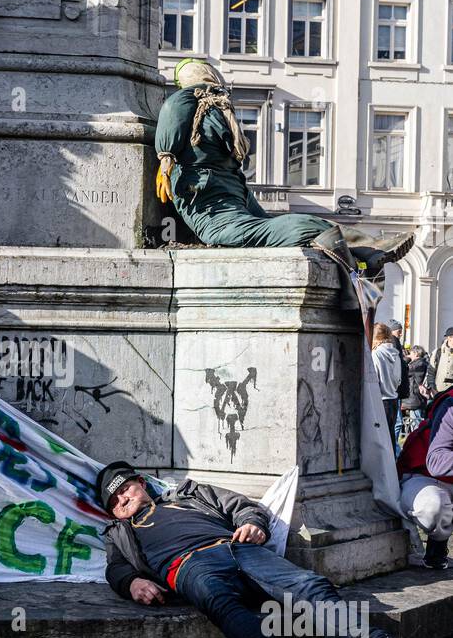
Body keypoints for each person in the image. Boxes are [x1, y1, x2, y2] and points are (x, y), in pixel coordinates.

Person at [98, 461, 445, 638]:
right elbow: (116, 568)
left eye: (124, 488)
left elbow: (243, 507)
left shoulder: (192, 493)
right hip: (187, 566)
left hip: (237, 547)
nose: (122, 500)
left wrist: (251, 524)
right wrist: (132, 582)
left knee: (308, 584)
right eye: (114, 501)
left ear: (140, 482)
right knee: (221, 605)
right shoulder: (120, 534)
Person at [154, 58, 413, 278]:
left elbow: (179, 105)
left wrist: (167, 157)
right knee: (294, 226)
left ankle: (368, 251)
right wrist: (166, 158)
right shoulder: (198, 105)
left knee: (287, 225)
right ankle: (370, 249)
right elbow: (176, 106)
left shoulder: (201, 105)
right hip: (220, 206)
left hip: (227, 200)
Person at [399, 386, 453, 571]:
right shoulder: (450, 405)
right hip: (425, 478)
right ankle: (437, 545)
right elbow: (436, 461)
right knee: (433, 506)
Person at [372, 323, 401, 449]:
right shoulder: (396, 353)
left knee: (379, 440)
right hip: (393, 399)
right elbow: (398, 379)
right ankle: (392, 467)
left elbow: (374, 379)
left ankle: (381, 468)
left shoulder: (377, 353)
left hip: (381, 400)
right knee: (390, 438)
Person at [401, 344, 430, 430]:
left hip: (415, 397)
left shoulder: (418, 364)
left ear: (416, 354)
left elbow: (404, 370)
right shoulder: (421, 363)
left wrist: (406, 359)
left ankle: (419, 439)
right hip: (416, 396)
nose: (410, 355)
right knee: (416, 420)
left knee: (416, 422)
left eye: (411, 353)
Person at [426, 327, 453, 397]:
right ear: (449, 338)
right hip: (438, 392)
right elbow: (431, 372)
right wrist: (432, 388)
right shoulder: (438, 352)